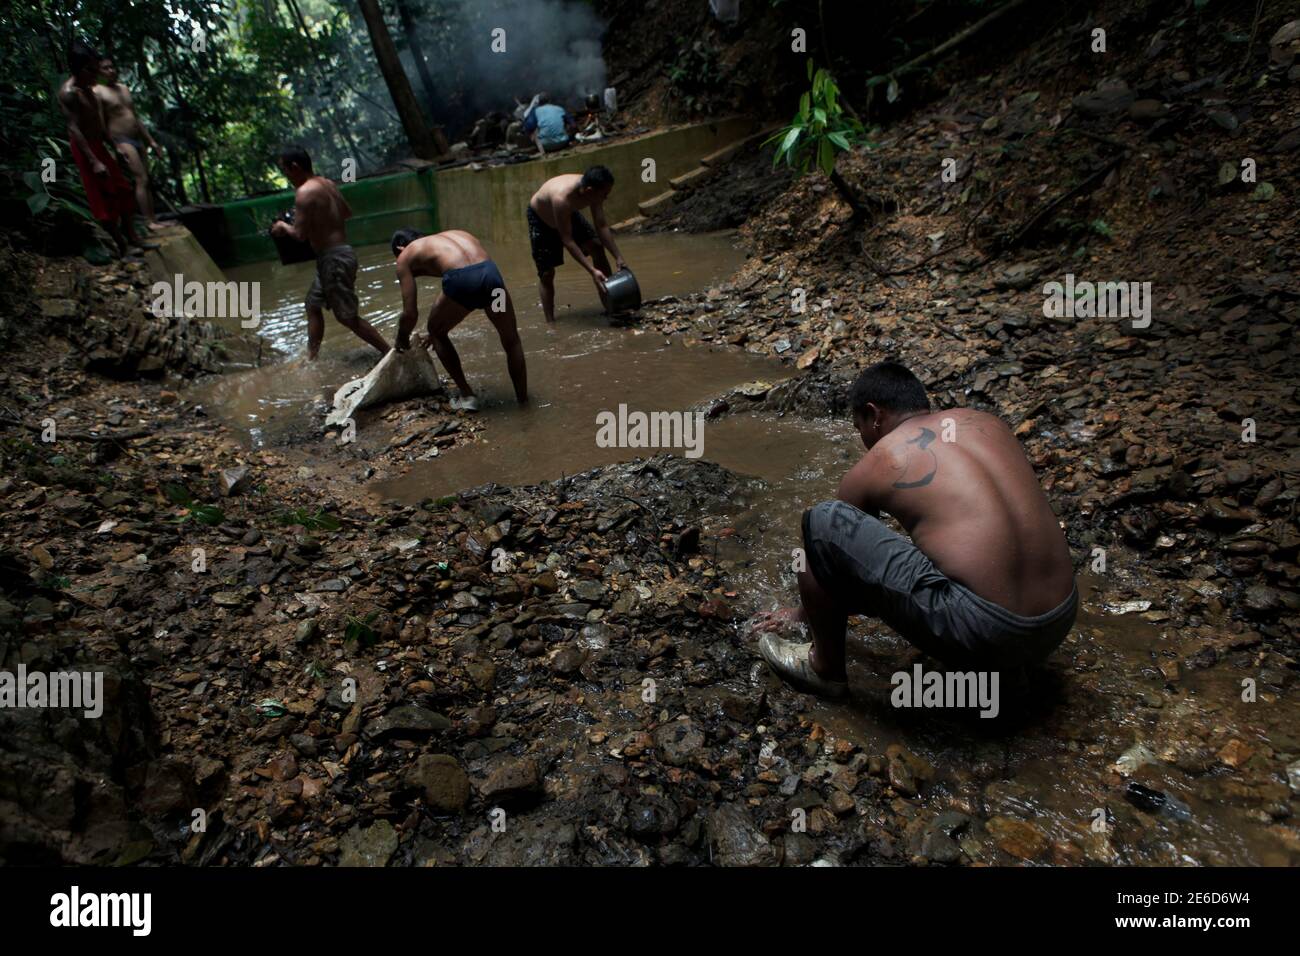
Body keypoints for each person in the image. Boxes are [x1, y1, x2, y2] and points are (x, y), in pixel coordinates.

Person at [751, 361, 1078, 698]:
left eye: (858, 426)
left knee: (821, 521)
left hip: (987, 631)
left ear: (873, 414)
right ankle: (1009, 664)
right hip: (1059, 617)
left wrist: (802, 614)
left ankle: (824, 670)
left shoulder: (881, 459)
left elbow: (827, 558)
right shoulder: (985, 423)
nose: (863, 438)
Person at [270, 146, 390, 360]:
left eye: (285, 170)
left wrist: (281, 226)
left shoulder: (304, 192)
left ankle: (390, 353)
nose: (285, 176)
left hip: (333, 259)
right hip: (337, 255)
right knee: (313, 304)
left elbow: (299, 235)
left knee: (347, 317)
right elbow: (346, 213)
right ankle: (311, 358)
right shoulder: (327, 183)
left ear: (295, 167)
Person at [390, 227, 527, 408]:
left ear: (400, 248)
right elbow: (469, 272)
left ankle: (468, 396)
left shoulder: (405, 256)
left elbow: (410, 314)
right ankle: (523, 402)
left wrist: (402, 337)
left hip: (464, 281)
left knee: (436, 332)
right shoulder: (453, 235)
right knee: (511, 339)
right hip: (492, 279)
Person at [57, 40, 146, 257]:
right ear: (78, 68)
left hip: (100, 144)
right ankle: (122, 247)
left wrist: (114, 147)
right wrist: (94, 161)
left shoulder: (91, 89)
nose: (96, 74)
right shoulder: (69, 93)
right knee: (104, 198)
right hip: (85, 149)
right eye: (91, 69)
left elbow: (99, 122)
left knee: (123, 189)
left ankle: (133, 238)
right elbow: (75, 129)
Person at [526, 166, 627, 323]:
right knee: (546, 274)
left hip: (567, 215)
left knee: (597, 247)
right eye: (604, 194)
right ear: (588, 190)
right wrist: (592, 271)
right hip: (541, 219)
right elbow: (567, 240)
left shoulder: (595, 191)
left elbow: (601, 225)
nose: (606, 198)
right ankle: (550, 323)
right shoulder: (563, 198)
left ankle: (611, 307)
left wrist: (618, 257)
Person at [94, 55, 164, 229]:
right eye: (106, 68)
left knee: (146, 179)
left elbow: (135, 117)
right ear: (98, 72)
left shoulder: (124, 88)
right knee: (140, 178)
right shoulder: (98, 92)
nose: (111, 70)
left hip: (137, 138)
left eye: (112, 66)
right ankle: (148, 221)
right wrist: (115, 146)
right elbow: (101, 124)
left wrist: (151, 141)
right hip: (121, 140)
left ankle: (153, 219)